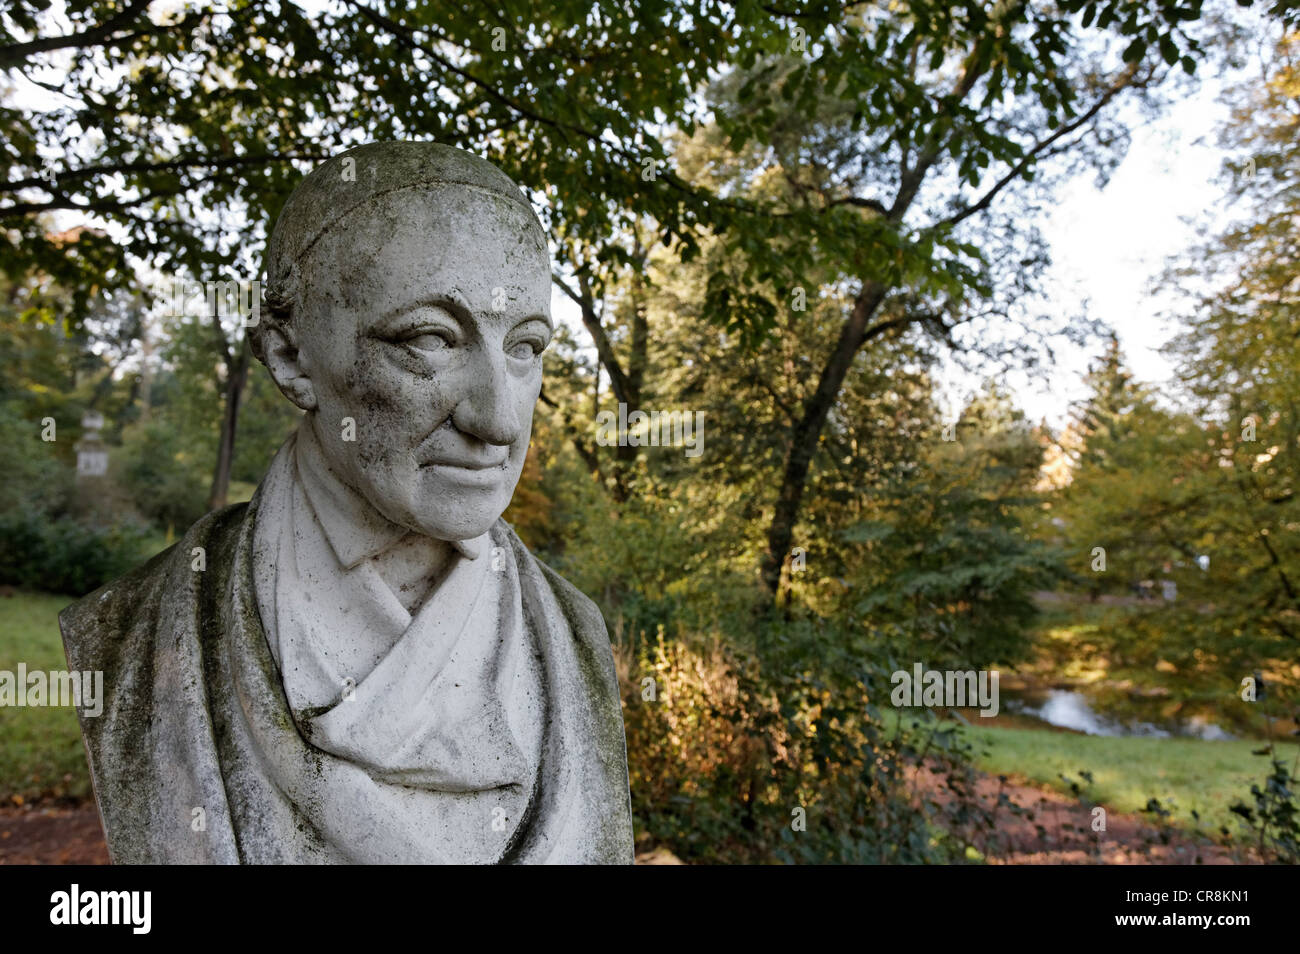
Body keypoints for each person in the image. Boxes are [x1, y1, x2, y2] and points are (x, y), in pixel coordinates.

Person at [59, 142, 635, 864]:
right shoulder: (136, 635)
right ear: (291, 359)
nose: (498, 421)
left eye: (525, 348)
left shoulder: (573, 637)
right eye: (430, 339)